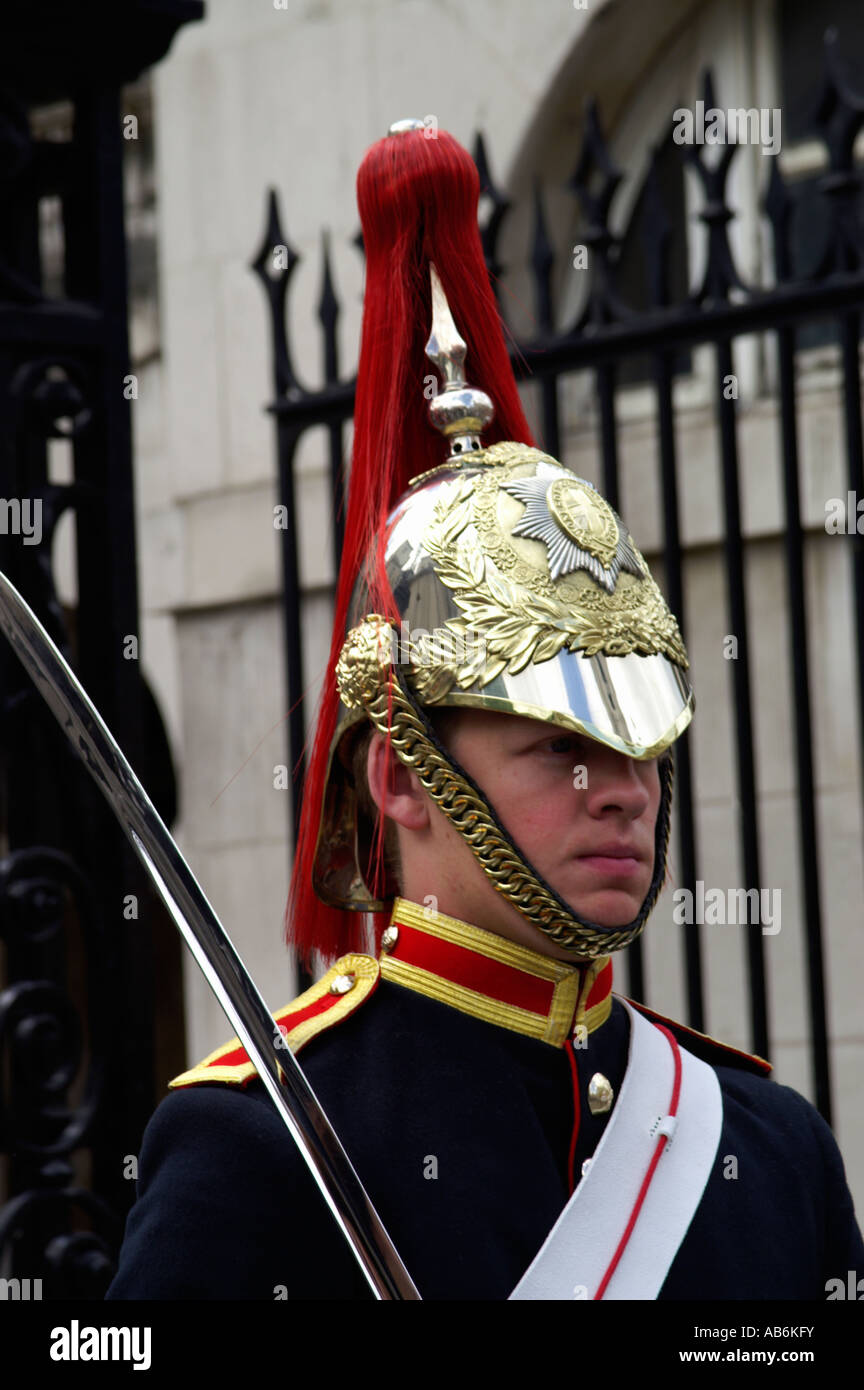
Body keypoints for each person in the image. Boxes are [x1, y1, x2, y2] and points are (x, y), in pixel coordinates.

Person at [106, 121, 864, 1301]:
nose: (626, 785)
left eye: (640, 738)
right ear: (401, 776)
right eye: (561, 742)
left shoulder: (768, 1146)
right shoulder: (264, 1146)